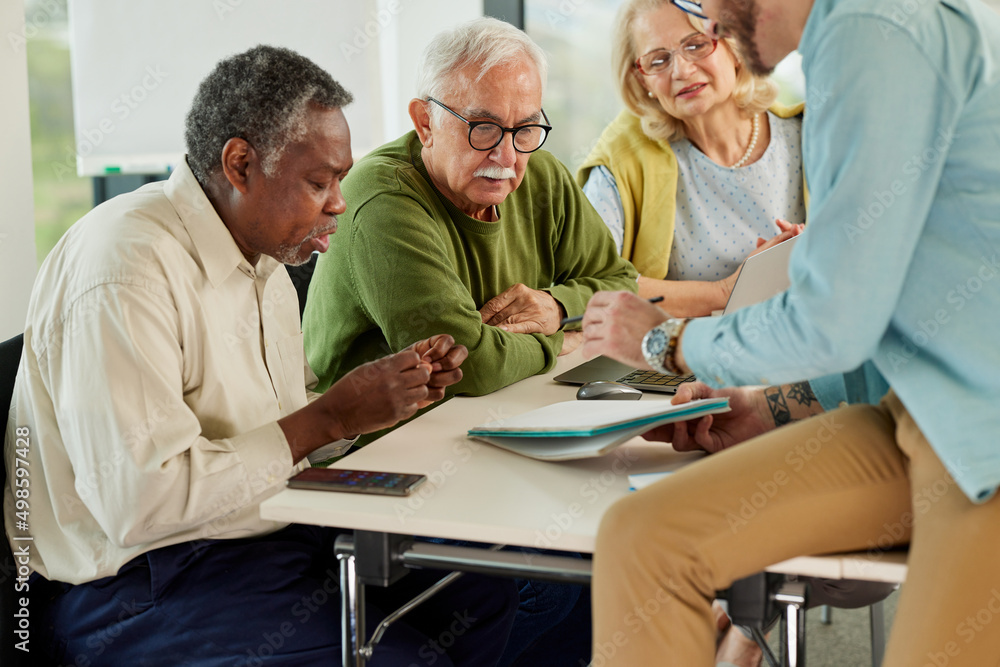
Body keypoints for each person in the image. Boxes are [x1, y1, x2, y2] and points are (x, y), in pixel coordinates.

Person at [3, 45, 520, 666]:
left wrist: (374, 400)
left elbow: (270, 432)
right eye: (319, 182)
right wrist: (328, 418)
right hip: (137, 585)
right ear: (241, 164)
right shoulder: (126, 268)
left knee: (491, 584)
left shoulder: (265, 261)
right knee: (409, 657)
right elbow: (137, 505)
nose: (339, 204)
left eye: (340, 180)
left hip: (267, 536)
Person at [580, 0, 1000, 664]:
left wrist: (668, 341)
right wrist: (767, 407)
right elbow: (889, 329)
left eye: (701, 13)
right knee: (645, 537)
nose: (710, 27)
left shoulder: (875, 27)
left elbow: (833, 319)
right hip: (915, 413)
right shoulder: (846, 48)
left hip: (982, 437)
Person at [302, 18, 639, 406]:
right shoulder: (382, 199)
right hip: (378, 442)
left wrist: (558, 305)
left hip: (509, 406)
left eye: (525, 128)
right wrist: (564, 338)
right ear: (425, 123)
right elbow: (468, 365)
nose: (508, 157)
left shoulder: (543, 176)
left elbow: (622, 284)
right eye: (483, 127)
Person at [577, 0, 803, 317]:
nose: (681, 70)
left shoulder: (806, 136)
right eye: (658, 61)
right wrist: (726, 291)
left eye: (695, 45)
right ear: (643, 80)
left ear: (734, 45)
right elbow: (589, 282)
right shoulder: (622, 158)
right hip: (676, 359)